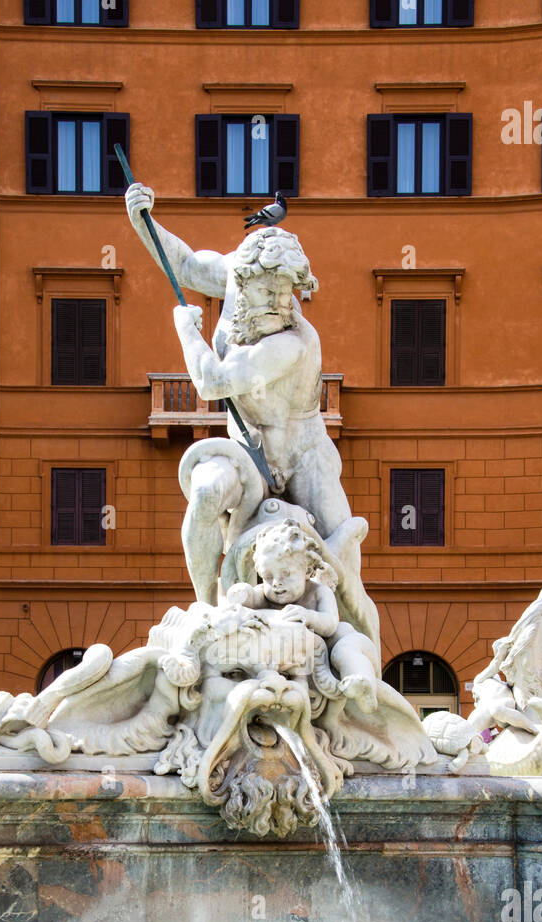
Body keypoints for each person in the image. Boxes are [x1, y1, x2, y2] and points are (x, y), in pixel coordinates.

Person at [124, 183, 380, 650]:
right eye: (271, 292)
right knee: (204, 494)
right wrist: (142, 219)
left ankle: (364, 651)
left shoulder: (292, 341)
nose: (283, 304)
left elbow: (213, 383)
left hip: (304, 455)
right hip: (246, 452)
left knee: (343, 570)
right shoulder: (231, 274)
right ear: (242, 282)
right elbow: (180, 263)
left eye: (289, 294)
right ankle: (207, 608)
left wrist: (186, 331)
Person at [224, 521, 380, 712]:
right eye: (267, 576)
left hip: (337, 642)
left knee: (345, 652)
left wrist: (309, 616)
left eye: (286, 574)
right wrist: (242, 593)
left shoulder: (319, 592)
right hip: (299, 659)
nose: (276, 584)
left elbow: (330, 624)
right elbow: (250, 599)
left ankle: (362, 685)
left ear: (307, 570)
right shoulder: (265, 594)